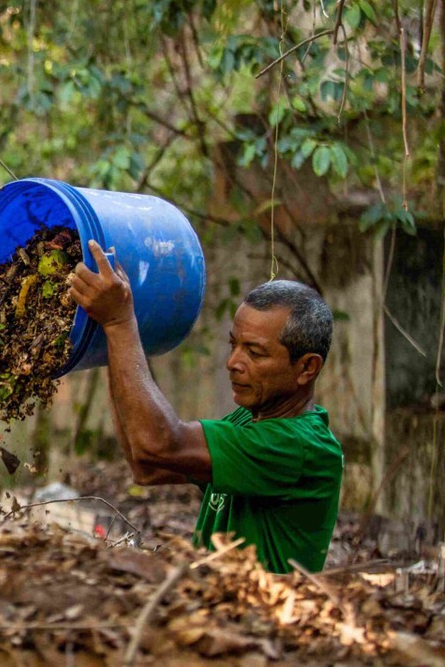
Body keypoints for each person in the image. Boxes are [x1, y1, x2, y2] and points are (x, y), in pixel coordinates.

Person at [68, 240, 343, 573]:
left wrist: (119, 324)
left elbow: (161, 445)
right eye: (234, 345)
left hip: (253, 622)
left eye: (254, 353)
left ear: (307, 368)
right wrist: (110, 336)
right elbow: (148, 465)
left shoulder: (300, 447)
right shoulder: (251, 418)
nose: (232, 362)